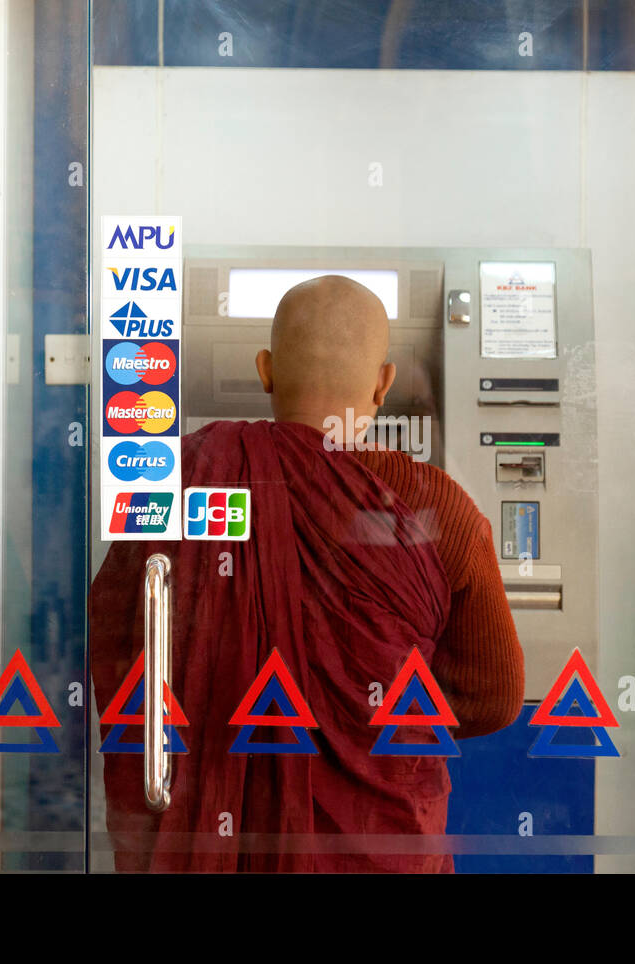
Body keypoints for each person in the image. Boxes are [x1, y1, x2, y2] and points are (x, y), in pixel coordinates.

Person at [89, 275, 523, 872]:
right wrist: (374, 720)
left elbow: (115, 642)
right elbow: (494, 696)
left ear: (265, 370)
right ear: (382, 383)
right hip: (384, 847)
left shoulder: (184, 477)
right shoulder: (437, 507)